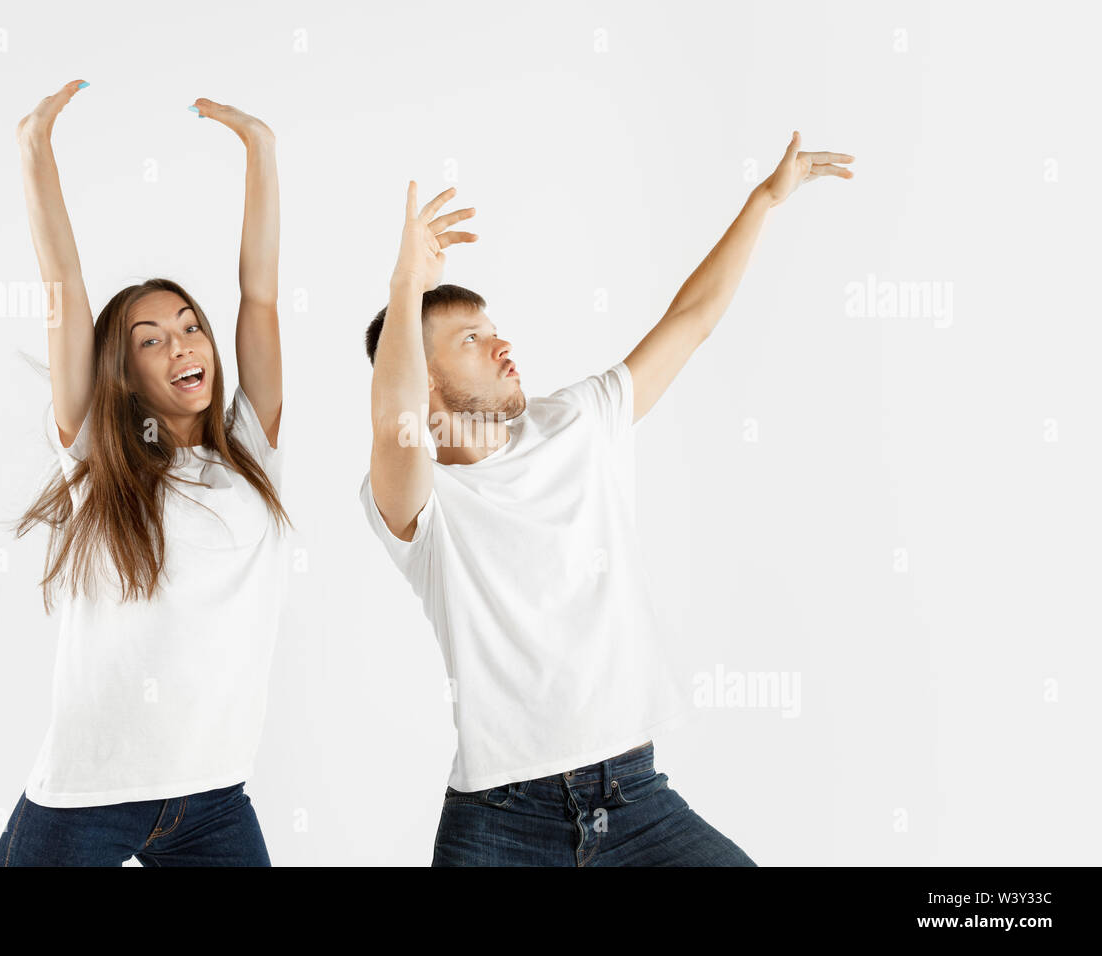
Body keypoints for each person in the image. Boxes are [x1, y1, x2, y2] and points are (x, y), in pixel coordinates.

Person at [359, 132, 853, 866]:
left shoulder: (575, 422)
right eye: (471, 340)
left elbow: (690, 321)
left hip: (634, 800)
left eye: (496, 331)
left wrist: (763, 201)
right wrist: (406, 289)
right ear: (426, 382)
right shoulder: (423, 505)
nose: (503, 347)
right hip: (499, 823)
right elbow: (395, 426)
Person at [0, 80, 289, 866]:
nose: (183, 344)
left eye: (190, 326)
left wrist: (261, 149)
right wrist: (34, 149)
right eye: (151, 339)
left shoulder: (250, 456)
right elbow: (62, 283)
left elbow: (257, 295)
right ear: (121, 370)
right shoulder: (99, 458)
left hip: (214, 798)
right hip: (85, 800)